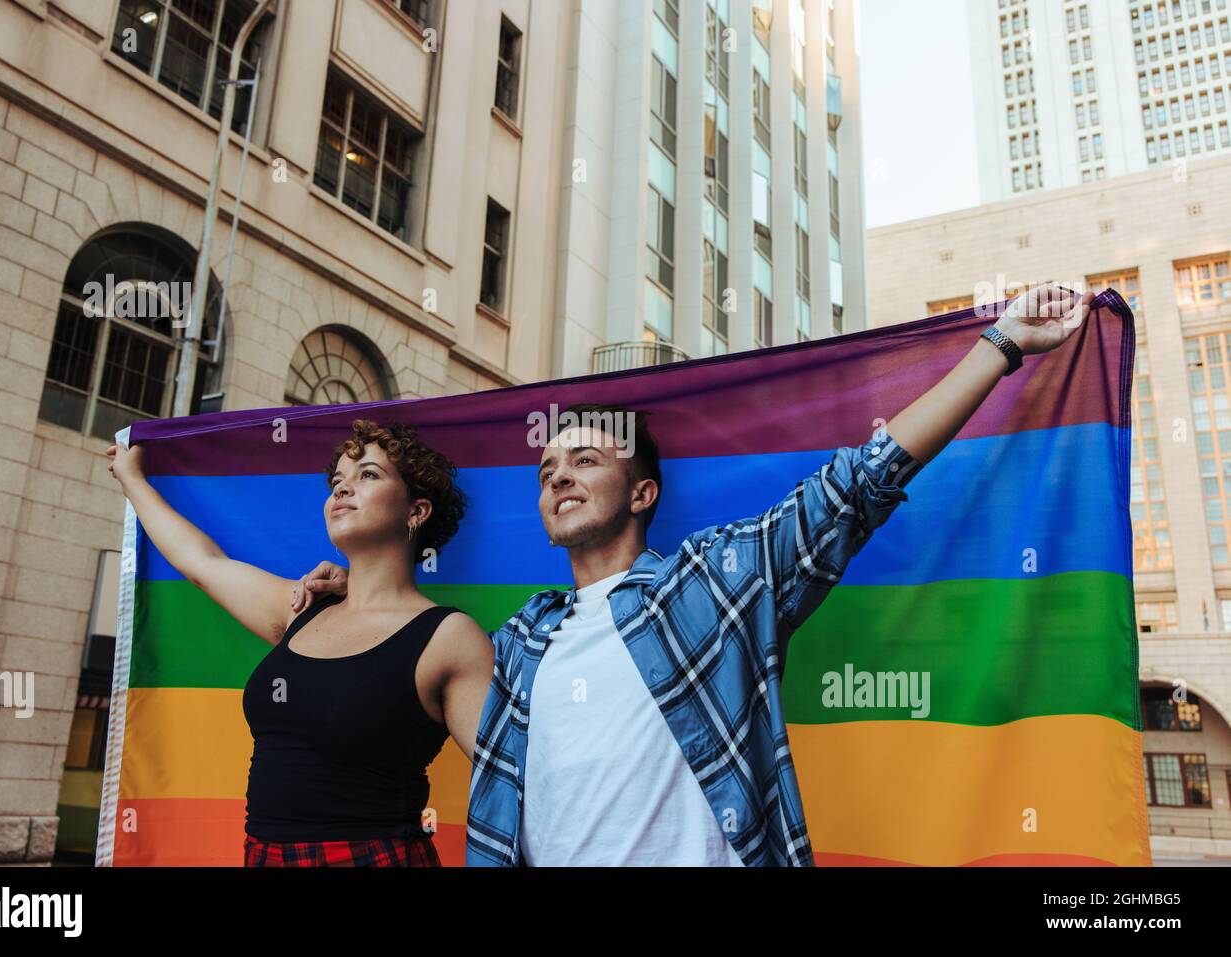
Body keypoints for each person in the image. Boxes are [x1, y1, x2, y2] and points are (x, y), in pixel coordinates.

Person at [292, 284, 1097, 865]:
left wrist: (1000, 346)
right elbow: (406, 663)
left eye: (586, 459)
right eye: (546, 470)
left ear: (642, 492)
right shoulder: (520, 639)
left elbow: (860, 482)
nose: (559, 477)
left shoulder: (716, 584)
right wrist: (350, 591)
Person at [105, 418, 492, 867]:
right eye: (337, 481)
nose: (342, 490)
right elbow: (201, 562)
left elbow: (512, 774)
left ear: (416, 511)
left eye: (368, 474)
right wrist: (132, 478)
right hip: (263, 857)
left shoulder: (448, 636)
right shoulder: (301, 609)